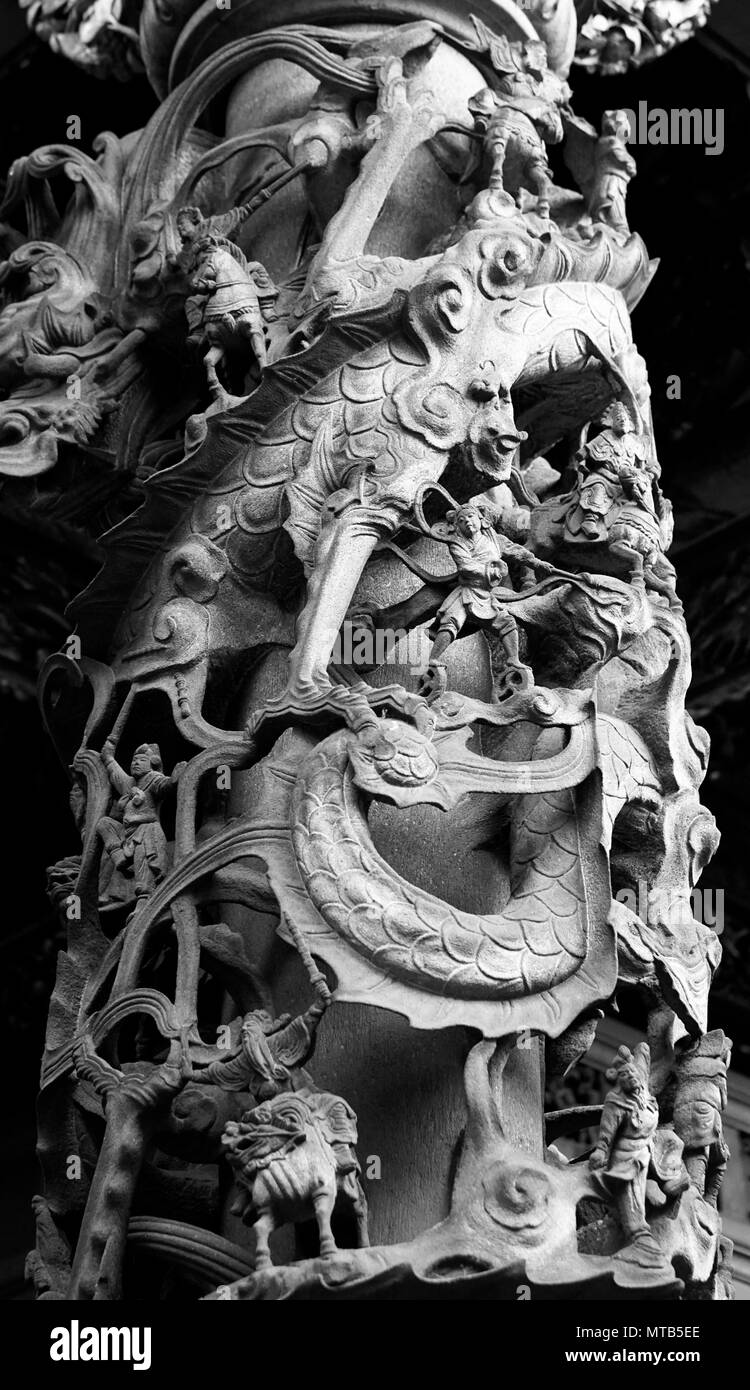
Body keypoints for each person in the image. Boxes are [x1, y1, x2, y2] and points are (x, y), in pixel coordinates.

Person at [97, 740, 185, 905]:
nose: (136, 763)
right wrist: (108, 756)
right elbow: (114, 772)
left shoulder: (153, 779)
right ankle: (119, 857)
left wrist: (175, 778)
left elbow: (165, 785)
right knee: (104, 823)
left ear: (152, 764)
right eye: (134, 760)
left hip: (146, 831)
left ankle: (143, 904)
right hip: (127, 834)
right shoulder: (129, 784)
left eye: (141, 760)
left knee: (143, 868)